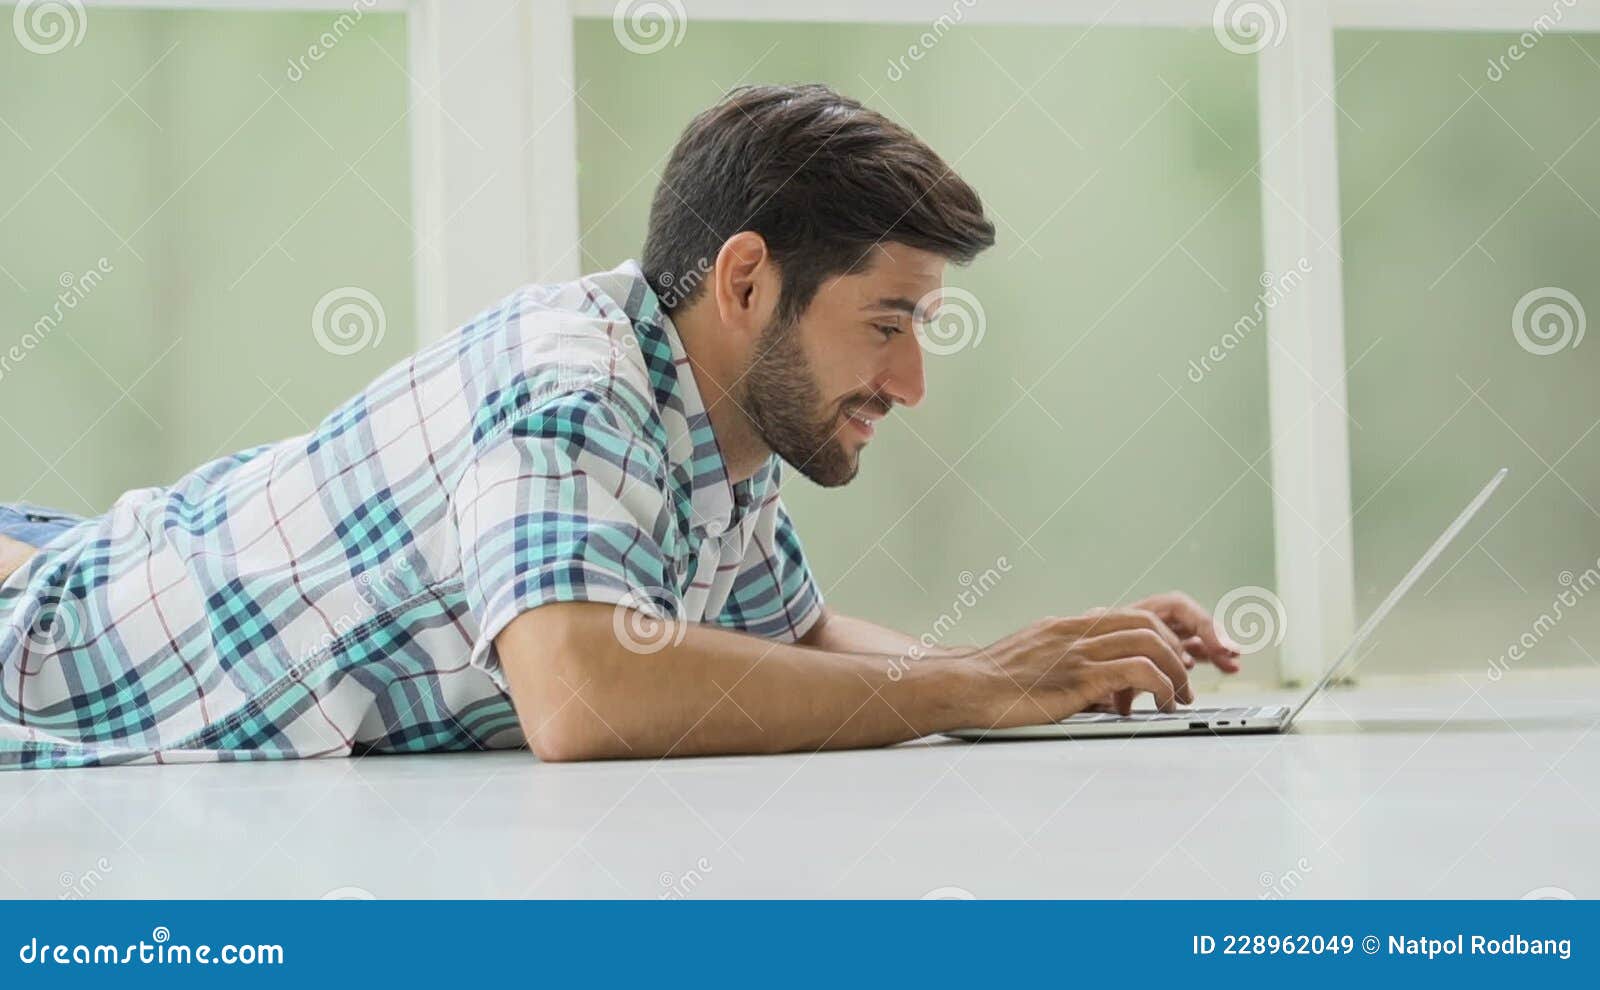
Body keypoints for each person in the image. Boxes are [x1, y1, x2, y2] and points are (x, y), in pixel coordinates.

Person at [0, 84, 1239, 769]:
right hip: (53, 636)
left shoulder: (712, 421)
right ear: (746, 282)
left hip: (117, 557)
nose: (911, 383)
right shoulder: (574, 387)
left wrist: (1052, 676)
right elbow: (586, 693)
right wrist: (967, 687)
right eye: (886, 324)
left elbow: (796, 642)